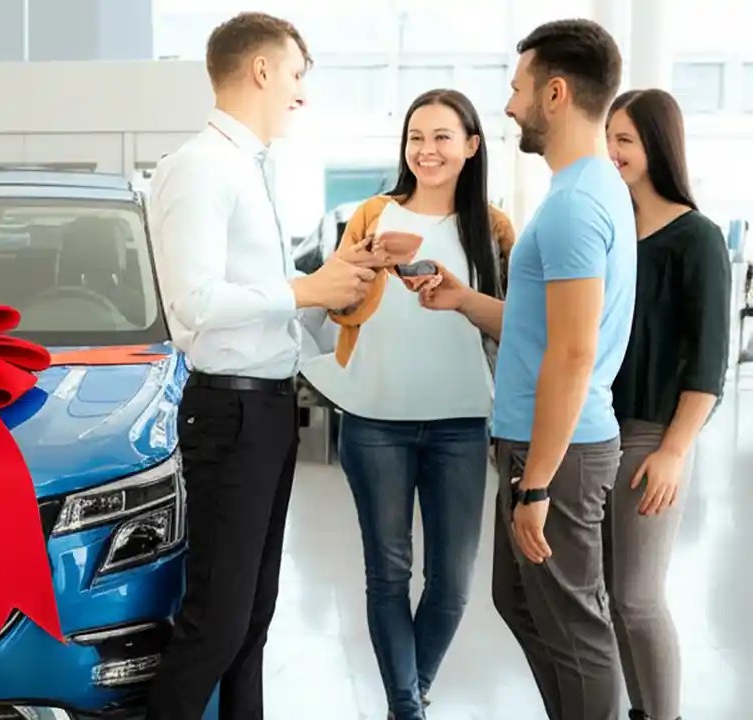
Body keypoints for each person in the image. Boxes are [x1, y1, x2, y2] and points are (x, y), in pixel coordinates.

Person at [143, 11, 379, 720]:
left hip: (266, 407)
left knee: (251, 621)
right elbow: (195, 303)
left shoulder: (246, 168)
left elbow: (265, 314)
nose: (301, 93)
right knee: (215, 624)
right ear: (263, 70)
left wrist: (338, 286)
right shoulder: (200, 168)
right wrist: (309, 288)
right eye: (298, 75)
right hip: (230, 411)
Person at [418, 19, 636, 720]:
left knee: (574, 627)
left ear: (557, 92)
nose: (510, 105)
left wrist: (535, 483)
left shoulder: (574, 206)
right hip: (547, 443)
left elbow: (572, 355)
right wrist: (462, 300)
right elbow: (546, 327)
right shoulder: (588, 189)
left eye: (518, 89)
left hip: (558, 452)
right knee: (519, 602)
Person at [309, 89, 515, 720]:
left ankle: (409, 692)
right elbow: (335, 308)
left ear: (472, 146)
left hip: (459, 420)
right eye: (416, 138)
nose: (426, 151)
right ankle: (408, 706)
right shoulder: (371, 214)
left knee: (452, 584)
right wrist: (359, 268)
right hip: (374, 418)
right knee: (388, 576)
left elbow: (518, 325)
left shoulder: (496, 227)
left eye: (442, 137)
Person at [605, 88, 730, 720]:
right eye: (609, 138)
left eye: (625, 139)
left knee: (636, 596)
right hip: (597, 432)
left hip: (652, 437)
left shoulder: (697, 237)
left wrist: (675, 450)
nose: (613, 151)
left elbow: (710, 362)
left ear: (659, 144)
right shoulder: (613, 232)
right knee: (607, 597)